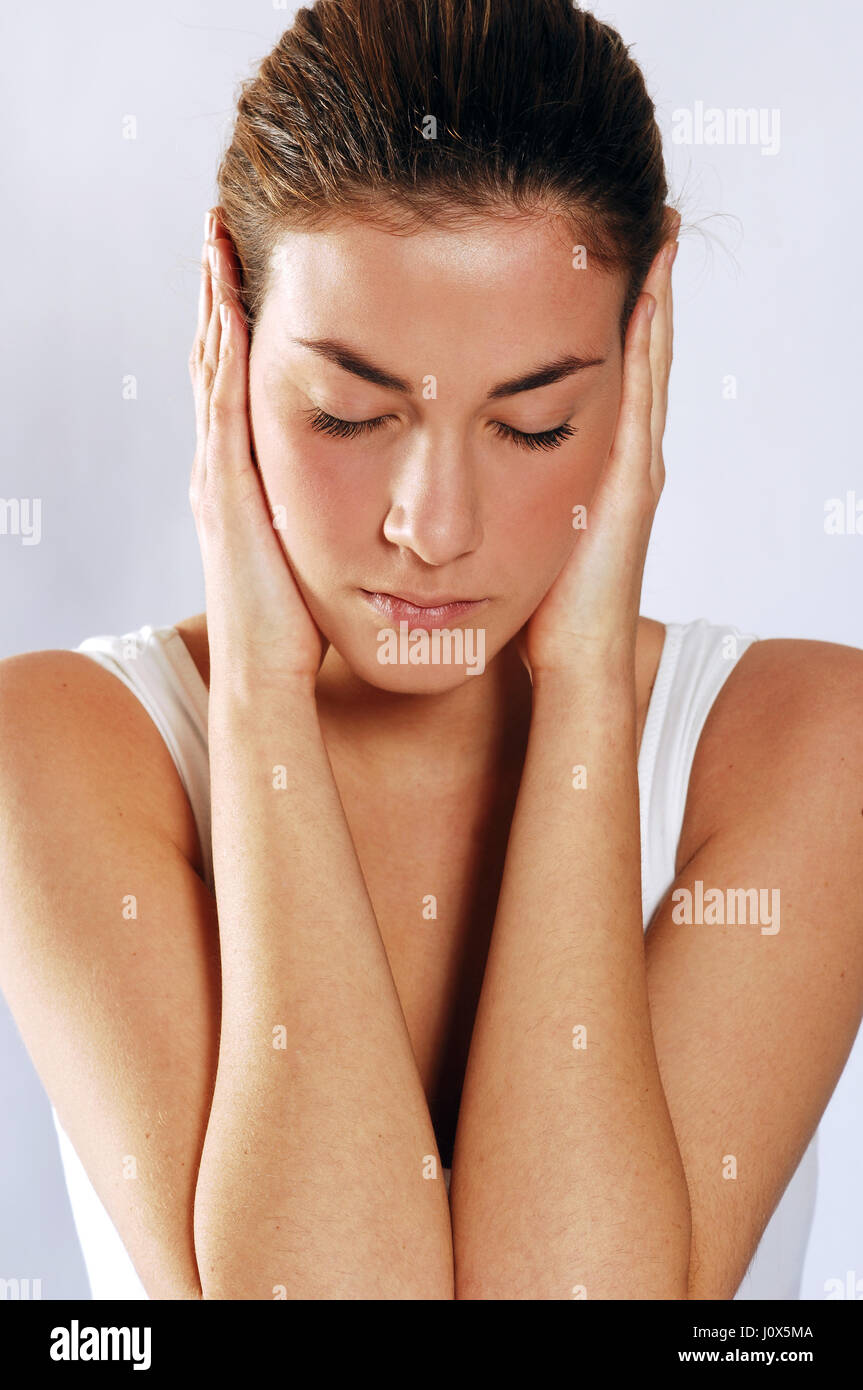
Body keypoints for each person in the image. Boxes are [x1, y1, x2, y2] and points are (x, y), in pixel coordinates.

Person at [1, 0, 860, 1301]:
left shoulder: (806, 746)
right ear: (223, 343)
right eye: (348, 413)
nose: (434, 530)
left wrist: (582, 689)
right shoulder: (65, 749)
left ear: (643, 365)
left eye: (533, 426)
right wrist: (262, 697)